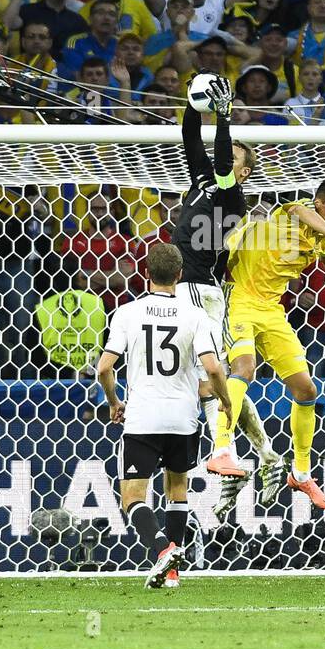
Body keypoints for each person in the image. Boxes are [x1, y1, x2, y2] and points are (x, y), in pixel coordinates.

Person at [167, 77, 285, 517]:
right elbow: (189, 138)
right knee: (201, 383)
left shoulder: (233, 197)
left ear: (245, 170)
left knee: (209, 380)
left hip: (201, 292)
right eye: (227, 154)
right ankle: (264, 456)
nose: (225, 158)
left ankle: (231, 454)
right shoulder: (201, 184)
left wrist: (224, 115)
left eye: (234, 157)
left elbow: (217, 155)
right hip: (186, 288)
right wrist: (194, 107)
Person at [209, 179, 325, 512]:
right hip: (239, 299)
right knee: (244, 368)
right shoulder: (291, 213)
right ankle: (221, 449)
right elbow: (302, 211)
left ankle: (301, 473)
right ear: (319, 203)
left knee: (306, 391)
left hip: (272, 310)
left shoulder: (321, 238)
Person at [96, 242, 232, 589]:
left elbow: (104, 368)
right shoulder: (196, 315)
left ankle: (162, 550)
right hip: (183, 418)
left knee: (132, 497)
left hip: (143, 417)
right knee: (177, 490)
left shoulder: (126, 313)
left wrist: (114, 401)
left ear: (146, 274)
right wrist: (226, 400)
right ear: (180, 275)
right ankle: (172, 574)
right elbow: (213, 369)